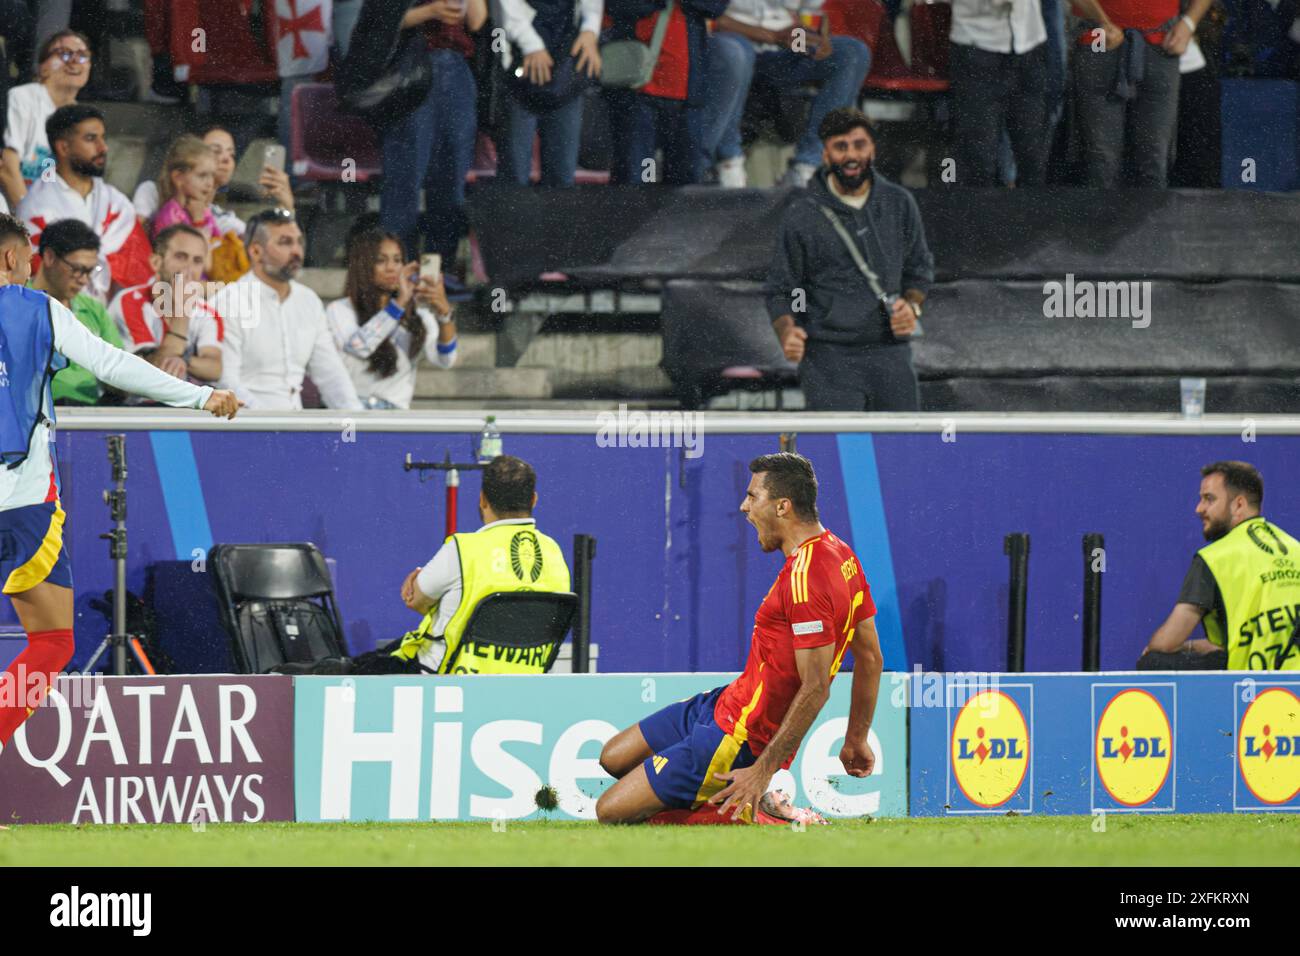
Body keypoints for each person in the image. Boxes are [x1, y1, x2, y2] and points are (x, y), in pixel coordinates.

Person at [0, 213, 240, 751]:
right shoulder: (37, 309)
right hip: (21, 501)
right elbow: (112, 364)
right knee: (54, 642)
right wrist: (200, 395)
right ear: (15, 258)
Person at [596, 453, 882, 825]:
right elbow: (872, 658)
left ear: (782, 506)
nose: (744, 506)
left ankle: (762, 817)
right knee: (613, 757)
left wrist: (761, 770)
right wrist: (856, 739)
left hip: (739, 735)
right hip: (723, 704)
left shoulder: (807, 579)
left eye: (752, 496)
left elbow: (816, 687)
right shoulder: (843, 555)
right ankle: (753, 803)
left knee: (612, 813)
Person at [766, 108, 933, 411]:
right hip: (828, 358)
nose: (851, 155)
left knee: (899, 453)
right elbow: (781, 290)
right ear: (825, 155)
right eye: (840, 147)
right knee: (845, 455)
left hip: (892, 354)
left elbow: (919, 270)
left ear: (873, 149)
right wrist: (786, 331)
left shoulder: (899, 202)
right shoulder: (801, 215)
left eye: (859, 145)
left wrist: (912, 306)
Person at [393, 455, 572, 674]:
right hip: (524, 689)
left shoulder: (462, 550)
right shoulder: (554, 553)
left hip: (449, 686)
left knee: (366, 667)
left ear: (482, 500)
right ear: (534, 500)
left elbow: (415, 600)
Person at [1143, 462, 1300, 671]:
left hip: (1250, 693)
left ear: (1239, 505)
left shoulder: (1214, 558)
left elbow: (1165, 644)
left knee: (1152, 661)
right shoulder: (1295, 548)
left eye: (1209, 499)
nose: (1199, 509)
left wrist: (1189, 647)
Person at [699, 0, 871, 188]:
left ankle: (806, 166)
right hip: (729, 44)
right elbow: (711, 19)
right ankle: (729, 163)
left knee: (851, 53)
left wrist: (812, 41)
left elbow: (805, 17)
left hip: (780, 51)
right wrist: (771, 35)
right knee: (736, 54)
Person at [378, 0, 488, 273]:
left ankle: (437, 275)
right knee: (405, 179)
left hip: (458, 67)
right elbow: (380, 19)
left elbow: (477, 20)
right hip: (410, 65)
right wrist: (430, 11)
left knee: (451, 182)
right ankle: (399, 274)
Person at [213, 209, 362, 411]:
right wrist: (272, 423)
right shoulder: (228, 302)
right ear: (256, 252)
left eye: (299, 242)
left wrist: (359, 422)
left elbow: (331, 374)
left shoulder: (309, 301)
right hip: (244, 427)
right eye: (285, 242)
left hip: (294, 425)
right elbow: (225, 382)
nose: (297, 251)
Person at [16, 104, 153, 300]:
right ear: (63, 147)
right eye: (91, 139)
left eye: (102, 138)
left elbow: (142, 273)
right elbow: (36, 276)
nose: (103, 147)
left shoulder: (117, 203)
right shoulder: (35, 207)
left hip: (115, 321)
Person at [1071, 0, 1212, 188]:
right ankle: (1101, 215)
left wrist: (1188, 23)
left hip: (1162, 39)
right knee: (1101, 157)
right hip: (1098, 37)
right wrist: (1102, 20)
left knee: (1155, 154)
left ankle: (1152, 216)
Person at [325, 228, 458, 410]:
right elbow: (359, 347)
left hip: (396, 415)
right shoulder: (340, 310)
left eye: (397, 260)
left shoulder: (419, 316)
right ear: (363, 265)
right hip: (352, 411)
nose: (391, 268)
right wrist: (400, 302)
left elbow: (445, 359)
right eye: (381, 260)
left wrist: (444, 313)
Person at [603, 0, 728, 186]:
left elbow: (715, 6)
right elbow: (615, 6)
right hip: (638, 91)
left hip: (687, 95)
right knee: (637, 181)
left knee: (685, 184)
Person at [492, 0, 603, 186]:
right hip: (518, 66)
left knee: (562, 176)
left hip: (566, 65)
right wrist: (531, 45)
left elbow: (591, 8)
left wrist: (590, 29)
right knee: (515, 176)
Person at [109, 223, 224, 386]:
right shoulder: (129, 301)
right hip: (137, 404)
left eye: (197, 261)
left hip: (181, 406)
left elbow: (214, 368)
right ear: (156, 262)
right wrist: (181, 314)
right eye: (180, 257)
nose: (189, 269)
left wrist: (183, 360)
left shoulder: (208, 312)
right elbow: (154, 367)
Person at [27, 219, 124, 406]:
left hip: (92, 411)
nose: (84, 280)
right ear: (49, 257)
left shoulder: (95, 310)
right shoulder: (14, 303)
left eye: (90, 271)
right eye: (78, 270)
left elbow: (118, 374)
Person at [132, 125, 295, 235]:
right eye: (215, 151)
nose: (226, 158)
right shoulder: (151, 192)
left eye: (231, 154)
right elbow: (135, 239)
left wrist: (287, 206)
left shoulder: (220, 219)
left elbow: (264, 247)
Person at [0, 29, 91, 209]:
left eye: (82, 55)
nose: (74, 61)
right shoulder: (23, 98)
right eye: (64, 53)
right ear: (43, 67)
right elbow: (6, 169)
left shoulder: (84, 120)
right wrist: (31, 220)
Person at [148, 133, 249, 283]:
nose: (209, 183)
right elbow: (200, 261)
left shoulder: (205, 212)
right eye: (202, 176)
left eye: (211, 176)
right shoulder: (169, 215)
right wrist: (197, 221)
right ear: (178, 177)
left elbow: (216, 250)